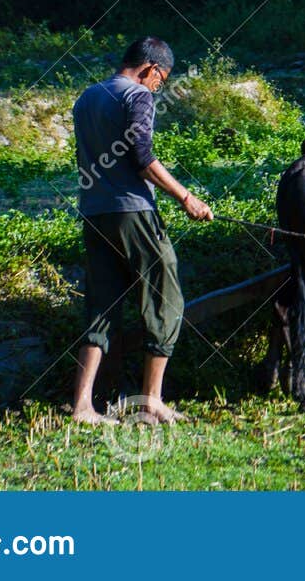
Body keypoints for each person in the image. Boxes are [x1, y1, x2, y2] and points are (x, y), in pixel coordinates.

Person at [69, 36, 212, 425]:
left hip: (94, 212)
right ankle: (151, 400)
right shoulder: (137, 96)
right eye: (160, 79)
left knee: (101, 303)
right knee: (166, 295)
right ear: (150, 68)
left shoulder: (87, 97)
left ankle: (82, 406)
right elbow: (142, 157)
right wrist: (187, 198)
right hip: (132, 211)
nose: (157, 87)